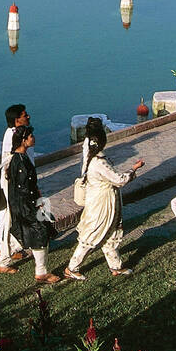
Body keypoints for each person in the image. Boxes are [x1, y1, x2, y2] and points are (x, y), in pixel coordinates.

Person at [63, 118, 144, 280]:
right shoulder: (99, 163)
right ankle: (72, 267)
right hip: (102, 204)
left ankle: (116, 266)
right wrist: (133, 169)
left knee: (110, 234)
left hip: (102, 200)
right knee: (92, 235)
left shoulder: (93, 159)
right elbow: (119, 179)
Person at [6, 124, 60, 283]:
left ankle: (6, 258)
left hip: (23, 203)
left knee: (31, 233)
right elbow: (24, 187)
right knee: (40, 233)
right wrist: (35, 203)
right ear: (23, 140)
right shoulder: (20, 162)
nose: (33, 138)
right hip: (25, 205)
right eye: (31, 136)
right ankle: (41, 272)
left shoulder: (19, 158)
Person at [0, 104, 31, 273]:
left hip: (17, 181)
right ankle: (5, 254)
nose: (28, 117)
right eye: (25, 115)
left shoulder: (15, 133)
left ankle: (10, 247)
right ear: (17, 120)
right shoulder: (13, 135)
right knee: (9, 216)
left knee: (10, 215)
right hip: (14, 183)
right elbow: (12, 162)